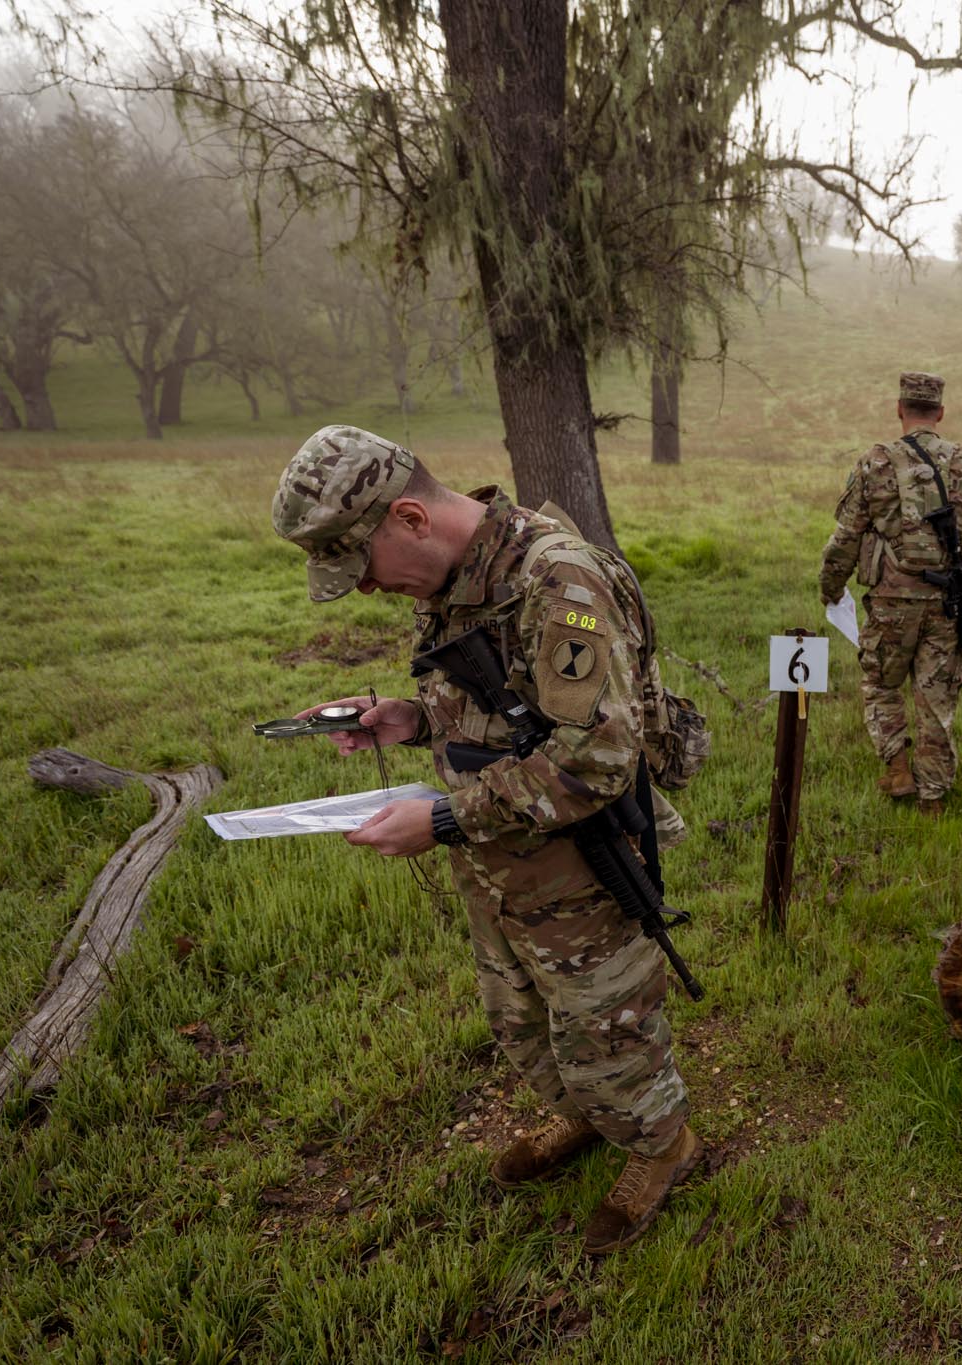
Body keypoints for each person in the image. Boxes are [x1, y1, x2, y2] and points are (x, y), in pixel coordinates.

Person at [271, 425, 702, 1255]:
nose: (364, 590)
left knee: (606, 1031)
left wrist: (439, 819)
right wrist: (412, 717)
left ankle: (663, 1146)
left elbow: (598, 758)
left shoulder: (559, 580)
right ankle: (587, 1117)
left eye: (362, 567)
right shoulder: (460, 579)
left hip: (579, 860)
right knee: (520, 1020)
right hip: (498, 853)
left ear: (409, 517)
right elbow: (508, 704)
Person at [818, 371, 962, 815]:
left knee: (880, 685)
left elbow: (845, 540)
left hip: (889, 605)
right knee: (936, 699)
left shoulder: (875, 463)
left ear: (899, 409)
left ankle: (899, 767)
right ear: (940, 413)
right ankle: (933, 799)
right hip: (947, 608)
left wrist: (831, 590)